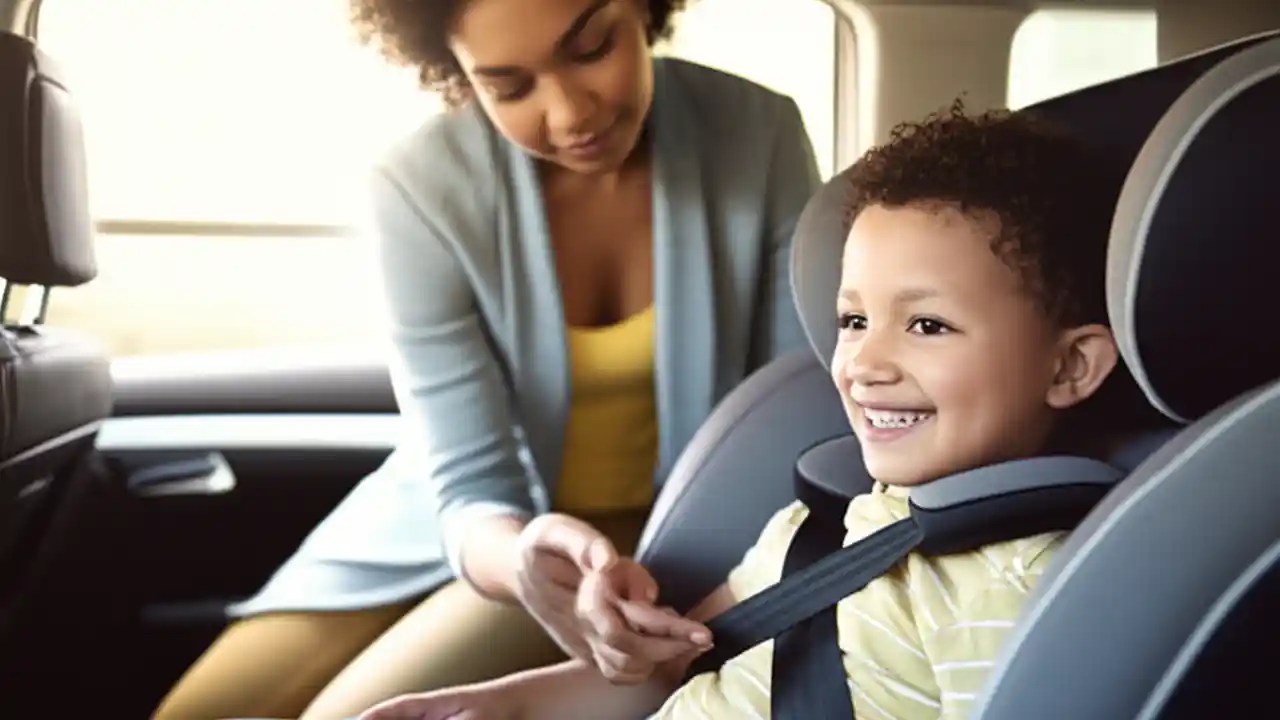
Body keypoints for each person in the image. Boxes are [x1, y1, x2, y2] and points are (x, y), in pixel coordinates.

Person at [359, 101, 1142, 719]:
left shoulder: (1020, 587)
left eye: (927, 325)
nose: (864, 363)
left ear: (1071, 365)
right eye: (853, 320)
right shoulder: (825, 528)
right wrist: (498, 705)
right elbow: (674, 667)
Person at [151, 0, 820, 718]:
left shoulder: (760, 135)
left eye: (592, 47)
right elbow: (469, 480)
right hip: (471, 528)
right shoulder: (417, 188)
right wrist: (521, 559)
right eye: (508, 87)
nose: (568, 115)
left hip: (664, 536)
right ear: (456, 74)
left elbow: (783, 420)